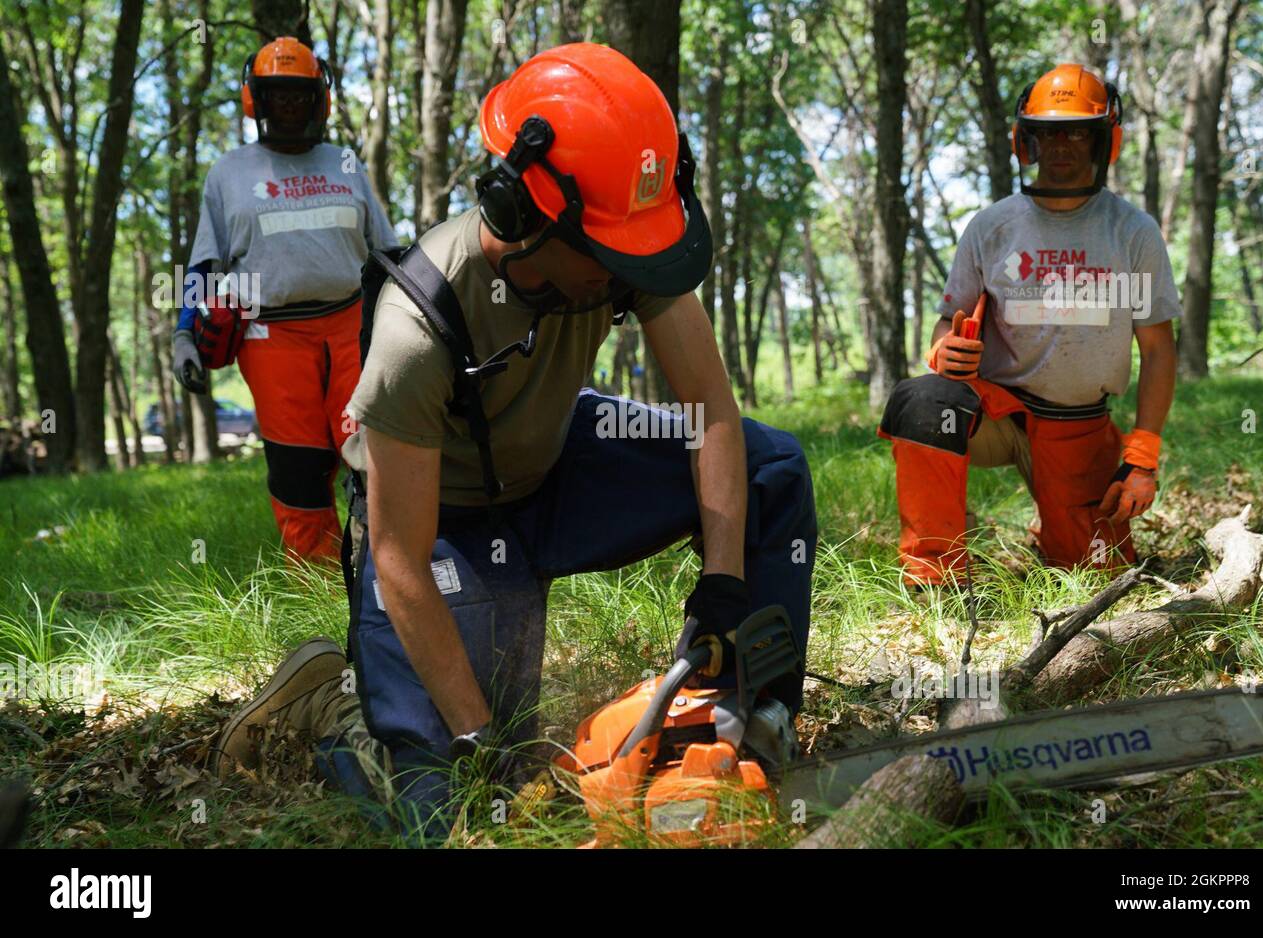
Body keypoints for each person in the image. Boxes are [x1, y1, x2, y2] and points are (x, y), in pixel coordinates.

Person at [211, 43, 817, 838]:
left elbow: (712, 412)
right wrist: (482, 742)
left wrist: (725, 580)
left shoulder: (622, 248)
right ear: (522, 214)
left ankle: (741, 725)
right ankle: (335, 708)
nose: (621, 273)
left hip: (555, 462)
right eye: (606, 255)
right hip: (442, 527)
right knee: (451, 808)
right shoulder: (414, 326)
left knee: (772, 464)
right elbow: (398, 553)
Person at [878, 64, 1179, 586]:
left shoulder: (1132, 232)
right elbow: (946, 326)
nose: (1062, 145)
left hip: (1078, 424)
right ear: (1026, 142)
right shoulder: (992, 226)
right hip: (997, 412)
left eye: (1078, 132)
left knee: (1093, 572)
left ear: (1104, 142)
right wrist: (942, 351)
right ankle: (935, 575)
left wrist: (1143, 453)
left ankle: (1057, 520)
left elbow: (1158, 350)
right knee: (922, 402)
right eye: (1047, 133)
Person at [172, 36, 398, 564]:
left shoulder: (344, 163)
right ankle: (318, 591)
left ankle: (386, 574)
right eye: (279, 97)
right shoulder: (229, 172)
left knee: (377, 455)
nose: (291, 107)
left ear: (318, 99)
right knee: (298, 469)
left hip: (352, 325)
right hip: (267, 335)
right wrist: (185, 332)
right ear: (258, 102)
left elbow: (388, 251)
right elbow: (207, 263)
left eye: (299, 96)